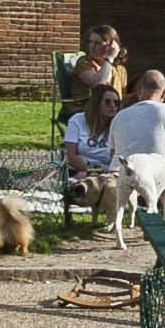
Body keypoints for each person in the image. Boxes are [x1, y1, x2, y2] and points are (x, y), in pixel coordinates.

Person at [106, 71, 165, 245]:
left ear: (138, 91)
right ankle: (156, 227)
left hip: (117, 174)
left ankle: (119, 230)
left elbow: (112, 156)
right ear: (164, 93)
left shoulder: (119, 116)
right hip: (153, 174)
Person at [61, 78, 119, 221]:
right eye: (107, 102)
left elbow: (119, 156)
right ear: (96, 104)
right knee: (55, 174)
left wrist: (101, 173)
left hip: (107, 175)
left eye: (116, 102)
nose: (113, 106)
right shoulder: (78, 120)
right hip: (79, 167)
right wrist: (90, 170)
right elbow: (71, 155)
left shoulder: (118, 124)